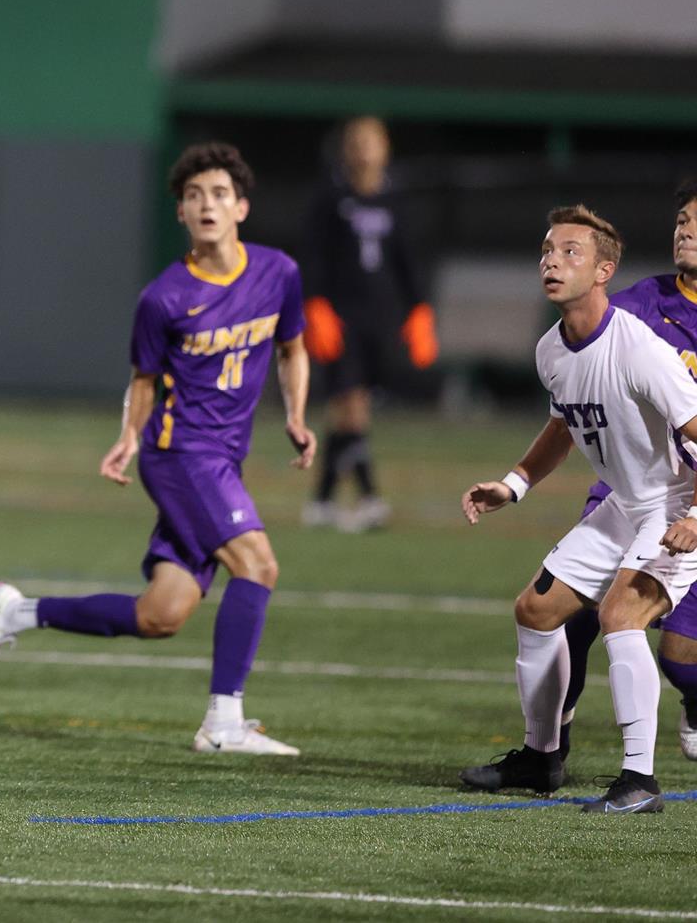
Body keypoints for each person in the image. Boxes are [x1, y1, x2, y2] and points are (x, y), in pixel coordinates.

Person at [0, 142, 316, 755]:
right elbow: (143, 381)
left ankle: (17, 613)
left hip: (223, 461)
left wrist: (298, 416)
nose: (207, 205)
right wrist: (127, 436)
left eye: (219, 194)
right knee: (258, 565)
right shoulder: (164, 297)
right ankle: (223, 723)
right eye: (194, 196)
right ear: (180, 212)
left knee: (161, 615)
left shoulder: (278, 273)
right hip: (181, 456)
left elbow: (293, 348)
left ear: (242, 207)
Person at [458, 206, 697, 815]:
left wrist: (695, 518)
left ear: (603, 271)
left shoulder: (640, 350)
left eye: (570, 252)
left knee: (621, 615)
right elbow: (564, 425)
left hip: (677, 502)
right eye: (547, 250)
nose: (552, 261)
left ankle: (640, 781)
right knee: (536, 610)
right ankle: (541, 757)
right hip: (626, 505)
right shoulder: (551, 350)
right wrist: (513, 484)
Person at [551, 182, 697, 765]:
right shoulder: (640, 305)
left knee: (681, 659)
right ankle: (549, 745)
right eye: (682, 219)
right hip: (631, 487)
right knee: (569, 612)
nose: (686, 229)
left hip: (689, 498)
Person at [299, 116, 434, 531]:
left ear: (385, 148)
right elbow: (314, 254)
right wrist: (314, 304)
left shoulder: (395, 199)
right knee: (352, 404)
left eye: (371, 142)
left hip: (382, 316)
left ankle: (322, 500)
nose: (363, 150)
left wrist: (420, 310)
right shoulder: (332, 197)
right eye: (356, 142)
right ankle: (370, 498)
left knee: (349, 409)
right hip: (341, 317)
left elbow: (407, 258)